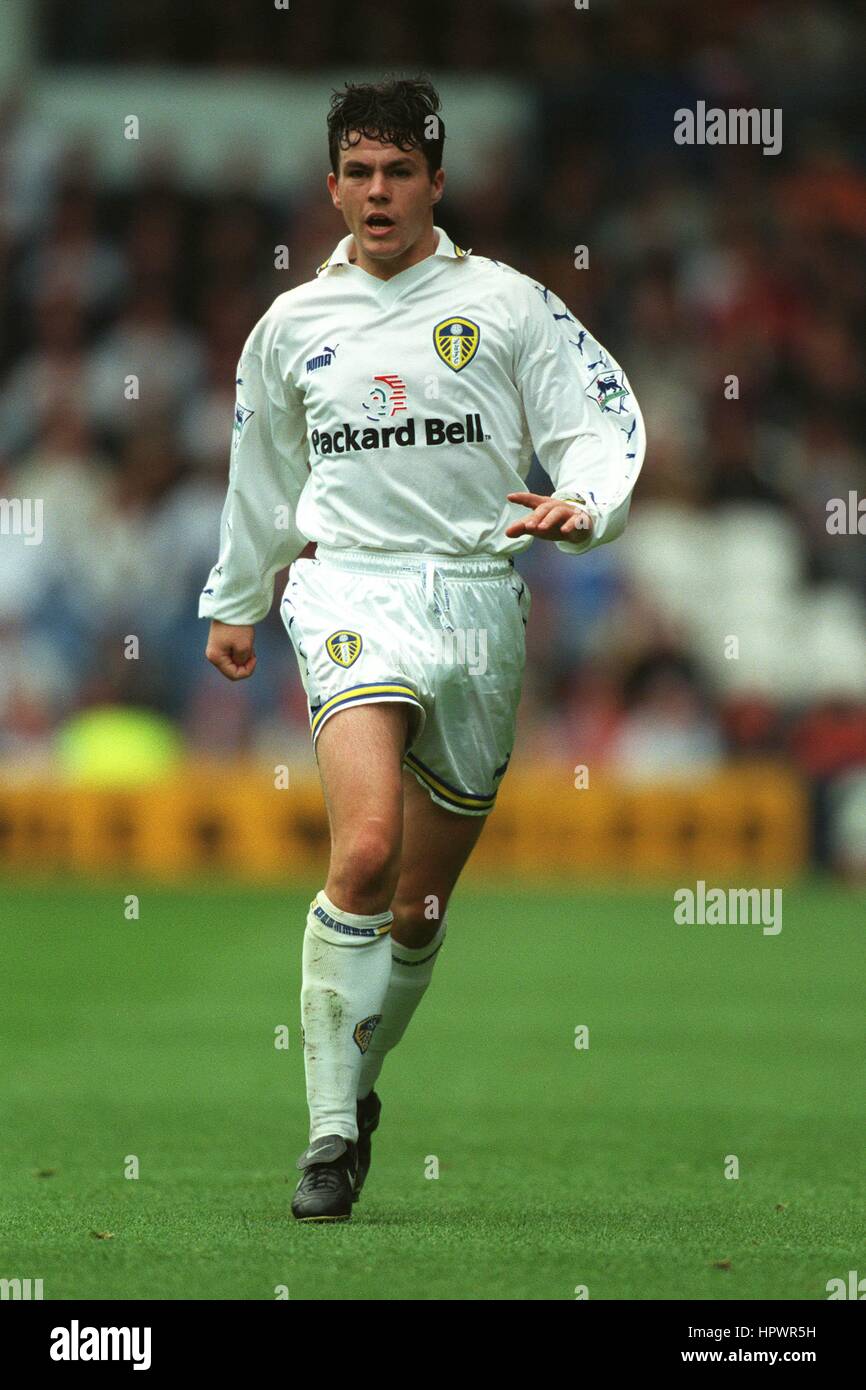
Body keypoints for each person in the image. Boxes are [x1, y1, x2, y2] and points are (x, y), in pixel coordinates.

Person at [200, 76, 646, 1222]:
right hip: (349, 588)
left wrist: (584, 503)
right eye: (358, 171)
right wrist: (236, 598)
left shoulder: (505, 304)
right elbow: (261, 474)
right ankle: (326, 1135)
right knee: (362, 852)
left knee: (416, 910)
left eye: (399, 171)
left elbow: (597, 418)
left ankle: (358, 1084)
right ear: (331, 185)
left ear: (436, 182)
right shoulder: (292, 325)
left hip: (476, 600)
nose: (378, 191)